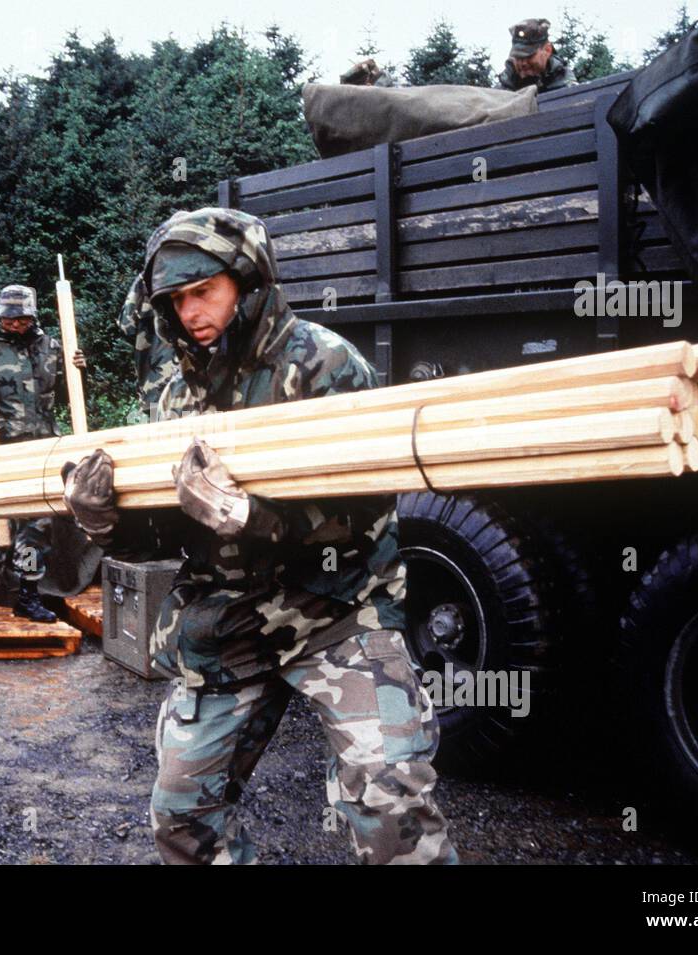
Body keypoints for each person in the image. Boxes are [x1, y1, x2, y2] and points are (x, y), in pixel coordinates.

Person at [61, 209, 458, 864]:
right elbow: (162, 526)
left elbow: (366, 508)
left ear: (246, 282)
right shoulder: (172, 390)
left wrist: (252, 516)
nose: (190, 312)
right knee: (183, 816)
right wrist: (108, 522)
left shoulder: (324, 365)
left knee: (392, 810)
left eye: (204, 291)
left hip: (338, 610)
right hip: (229, 623)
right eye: (177, 299)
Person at [0, 284, 86, 625]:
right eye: (12, 320)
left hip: (39, 447)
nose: (17, 325)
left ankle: (27, 594)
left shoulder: (49, 346)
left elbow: (71, 396)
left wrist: (80, 369)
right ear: (0, 315)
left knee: (37, 525)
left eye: (24, 319)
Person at [117, 272, 178, 422]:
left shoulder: (147, 277)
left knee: (161, 441)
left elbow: (126, 325)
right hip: (189, 386)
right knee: (196, 436)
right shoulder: (199, 269)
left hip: (154, 388)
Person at [495, 18, 575, 93]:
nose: (523, 63)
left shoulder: (564, 81)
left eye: (529, 56)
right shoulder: (504, 86)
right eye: (518, 57)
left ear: (547, 50)